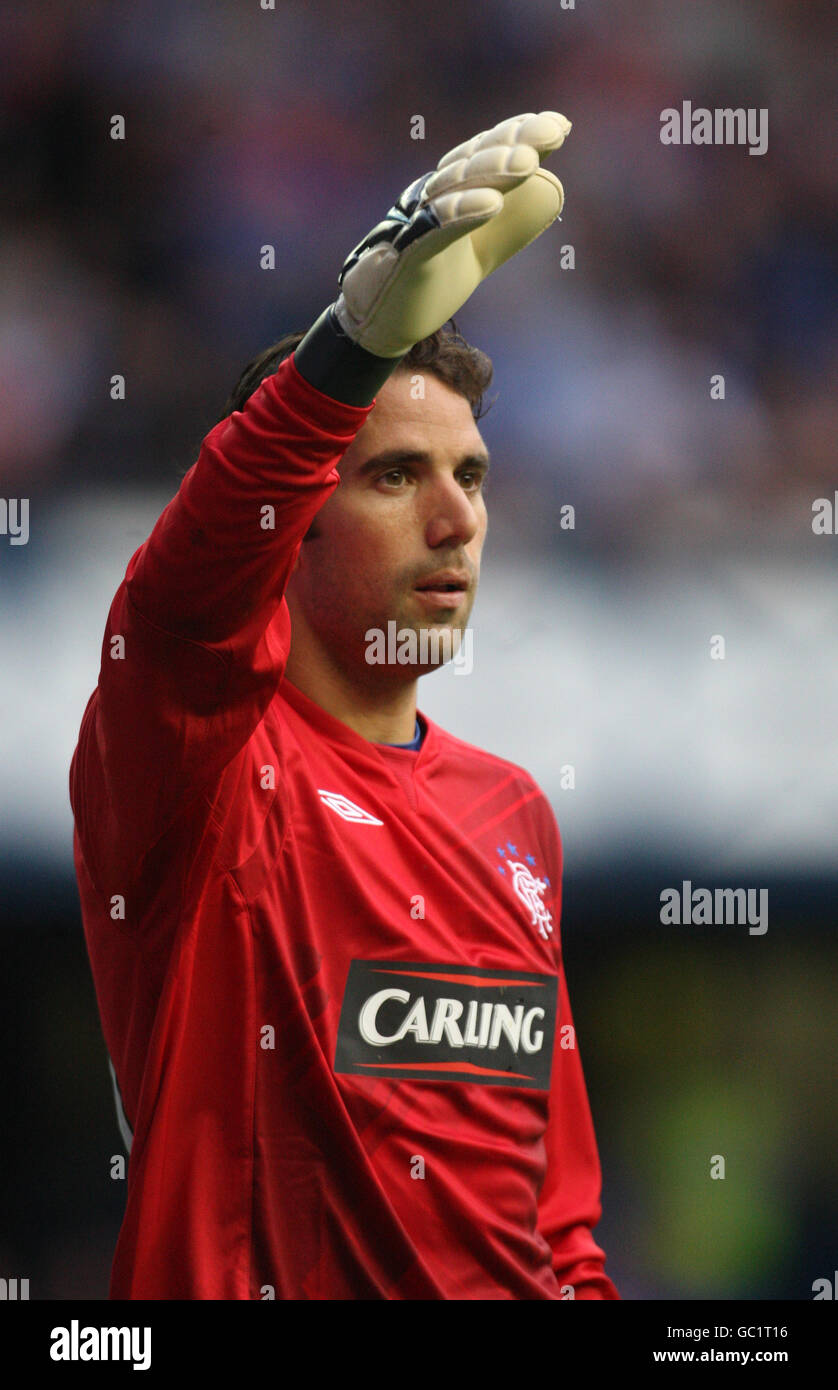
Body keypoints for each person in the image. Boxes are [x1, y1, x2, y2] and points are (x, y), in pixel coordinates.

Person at [70, 112, 619, 1300]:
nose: (456, 517)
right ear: (295, 520)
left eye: (470, 475)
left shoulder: (513, 812)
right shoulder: (196, 766)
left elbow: (560, 1231)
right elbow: (186, 591)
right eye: (394, 475)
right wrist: (348, 348)